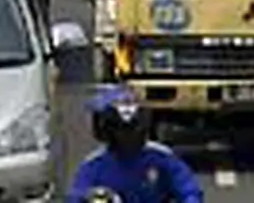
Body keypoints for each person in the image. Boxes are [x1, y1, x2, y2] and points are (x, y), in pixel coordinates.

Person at [66, 86, 203, 203]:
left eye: (133, 130)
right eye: (121, 131)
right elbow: (76, 196)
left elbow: (189, 190)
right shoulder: (94, 165)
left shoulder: (161, 157)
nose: (128, 137)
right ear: (108, 132)